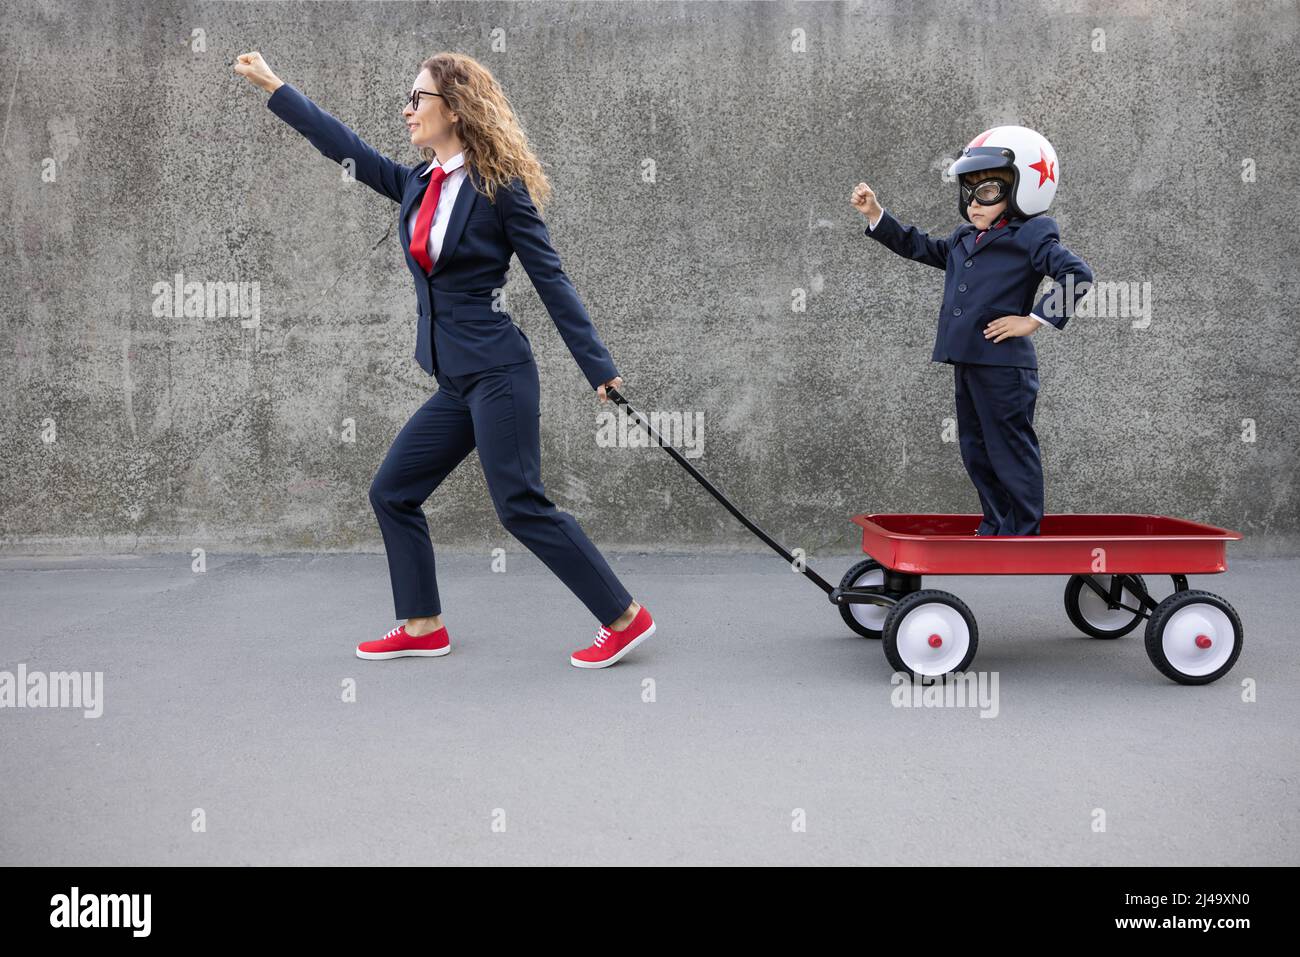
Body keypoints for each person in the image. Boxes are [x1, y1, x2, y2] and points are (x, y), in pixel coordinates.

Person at [234, 51, 655, 667]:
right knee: (393, 491)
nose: (406, 109)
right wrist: (275, 87)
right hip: (456, 379)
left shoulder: (498, 191)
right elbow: (342, 146)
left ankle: (624, 617)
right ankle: (423, 624)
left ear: (453, 110)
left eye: (417, 99)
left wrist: (599, 369)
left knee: (520, 504)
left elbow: (551, 280)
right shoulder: (417, 182)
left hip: (499, 373)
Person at [851, 126, 1093, 536]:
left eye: (987, 192)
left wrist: (1032, 320)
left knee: (1008, 447)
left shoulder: (1032, 234)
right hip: (968, 360)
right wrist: (877, 215)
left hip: (1004, 367)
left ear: (1022, 190)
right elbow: (920, 246)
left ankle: (1023, 528)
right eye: (968, 191)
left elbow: (1078, 274)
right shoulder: (965, 237)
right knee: (976, 449)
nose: (973, 203)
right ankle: (997, 522)